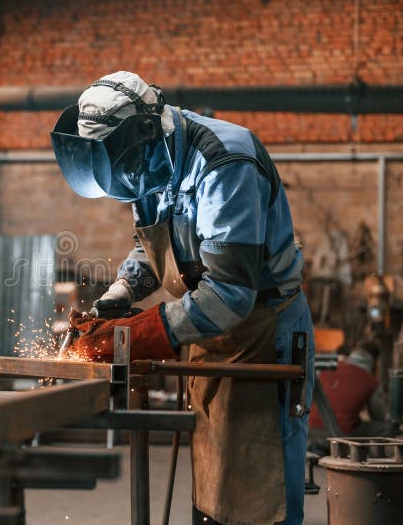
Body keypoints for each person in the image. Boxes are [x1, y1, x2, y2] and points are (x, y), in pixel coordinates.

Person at [51, 71, 315, 525]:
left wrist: (136, 334)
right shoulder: (145, 161)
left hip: (262, 335)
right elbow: (150, 244)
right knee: (214, 486)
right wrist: (119, 296)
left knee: (259, 491)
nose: (129, 181)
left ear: (146, 131)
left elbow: (231, 295)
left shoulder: (225, 162)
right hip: (209, 333)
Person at [309, 339, 391, 453]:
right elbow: (378, 415)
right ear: (375, 361)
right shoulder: (371, 381)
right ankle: (368, 455)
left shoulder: (329, 367)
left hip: (312, 430)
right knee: (386, 427)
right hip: (341, 435)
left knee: (354, 421)